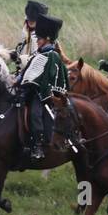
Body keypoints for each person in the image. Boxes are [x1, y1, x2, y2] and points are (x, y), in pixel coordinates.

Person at [14, 13, 67, 160]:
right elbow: (28, 71)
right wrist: (18, 79)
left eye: (40, 39)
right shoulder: (40, 53)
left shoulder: (52, 56)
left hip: (44, 95)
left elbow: (47, 78)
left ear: (47, 39)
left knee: (35, 113)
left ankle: (38, 145)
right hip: (31, 90)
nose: (37, 41)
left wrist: (32, 84)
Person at [11, 0, 49, 71]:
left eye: (33, 20)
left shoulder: (45, 35)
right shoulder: (25, 30)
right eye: (29, 19)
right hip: (22, 68)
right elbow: (21, 48)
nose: (30, 22)